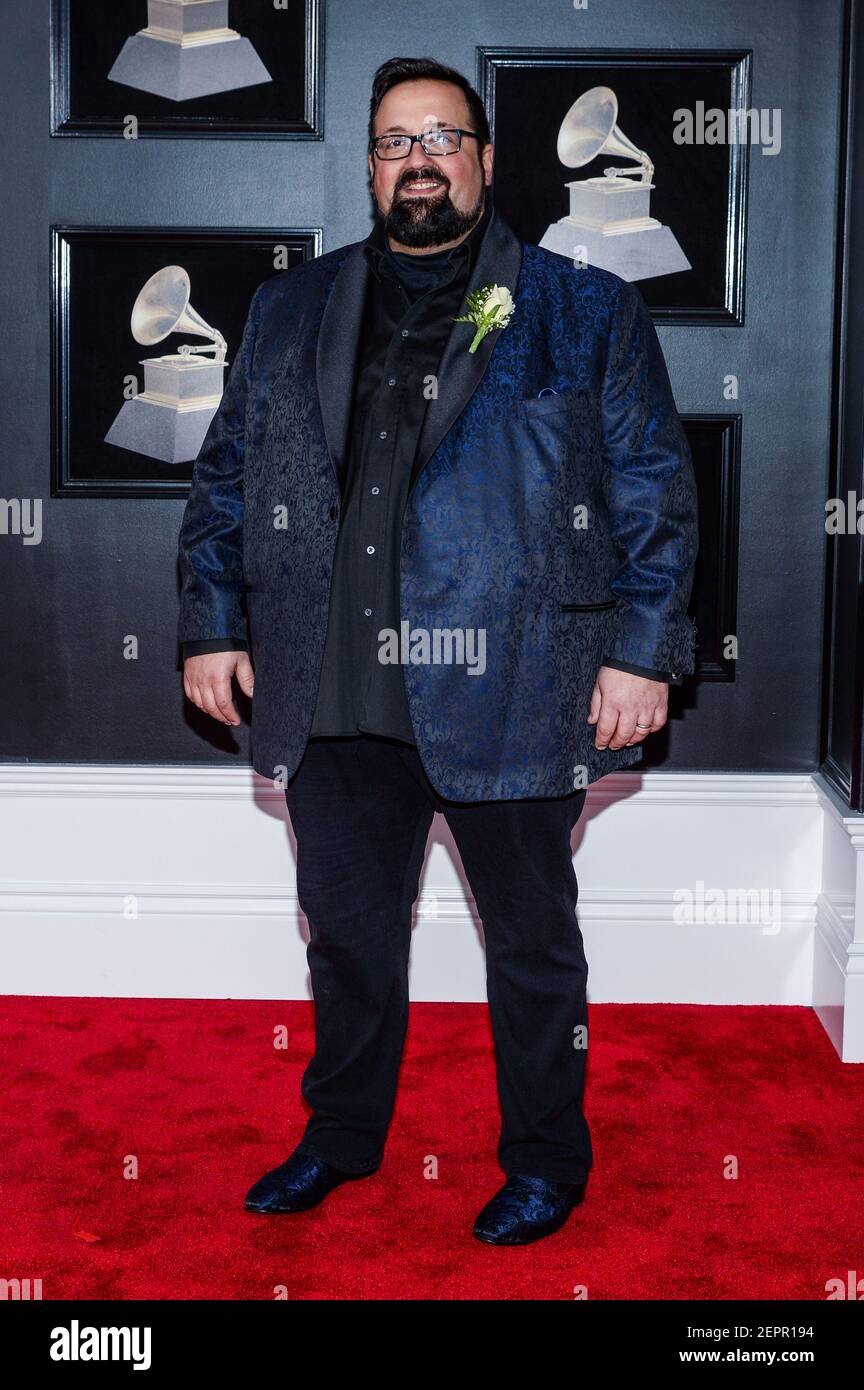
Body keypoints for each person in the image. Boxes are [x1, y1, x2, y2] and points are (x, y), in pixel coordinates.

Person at [177, 56, 698, 1246]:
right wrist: (211, 620)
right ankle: (341, 1136)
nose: (419, 160)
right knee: (348, 936)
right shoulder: (288, 307)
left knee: (531, 949)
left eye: (442, 139)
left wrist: (642, 653)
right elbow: (225, 478)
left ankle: (547, 1162)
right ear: (370, 165)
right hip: (331, 685)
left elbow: (655, 493)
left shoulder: (582, 306)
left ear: (486, 160)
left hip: (515, 680)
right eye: (395, 141)